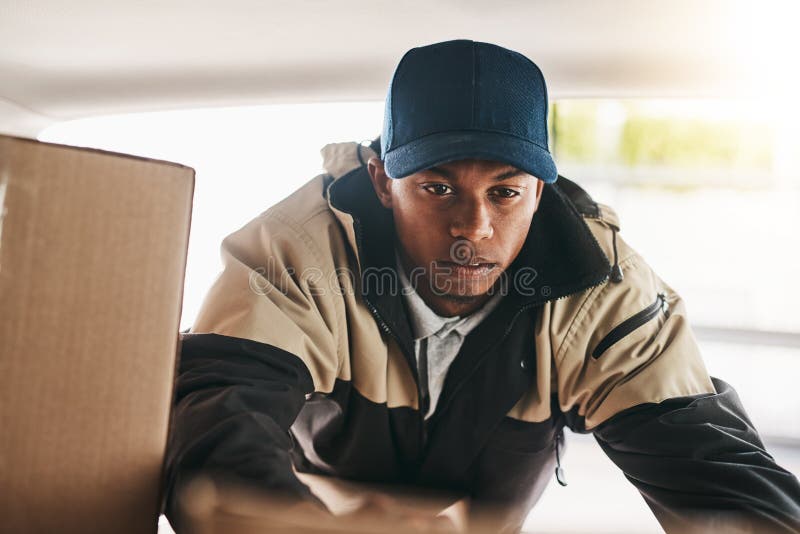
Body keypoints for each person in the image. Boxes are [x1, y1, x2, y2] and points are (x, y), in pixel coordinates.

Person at [163, 39, 800, 533]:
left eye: (505, 191)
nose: (474, 227)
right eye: (437, 188)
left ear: (541, 189)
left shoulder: (604, 293)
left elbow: (713, 469)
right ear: (384, 181)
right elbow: (218, 422)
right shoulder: (294, 257)